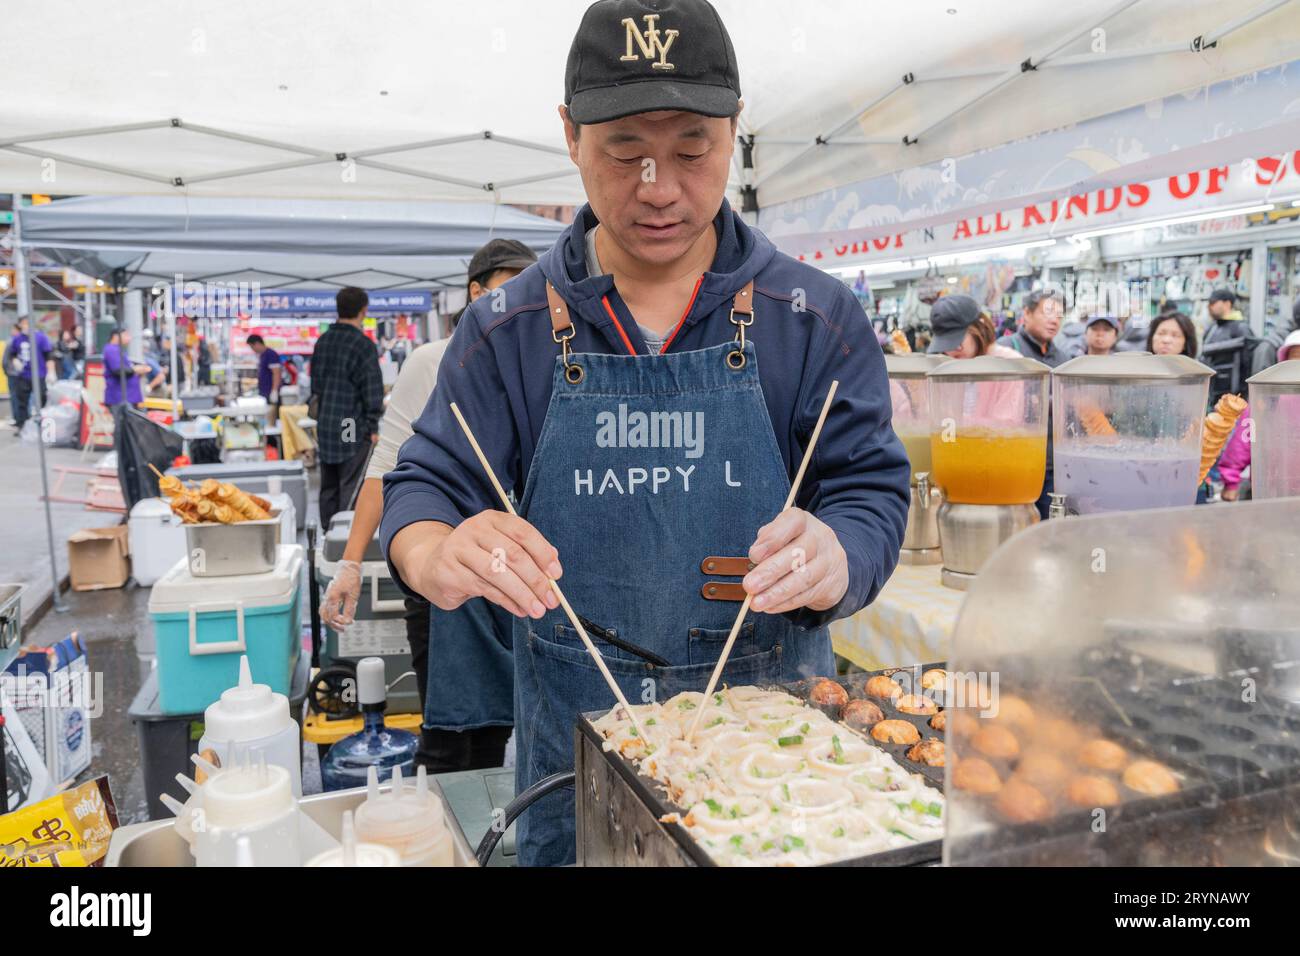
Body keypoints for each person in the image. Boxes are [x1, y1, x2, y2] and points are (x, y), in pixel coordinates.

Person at [381, 0, 909, 867]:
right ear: (570, 136)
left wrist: (841, 552)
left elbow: (869, 493)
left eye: (693, 148)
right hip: (573, 759)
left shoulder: (814, 319)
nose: (658, 185)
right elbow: (425, 487)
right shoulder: (504, 327)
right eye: (625, 149)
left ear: (736, 133)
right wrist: (435, 550)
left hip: (781, 770)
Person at [322, 238, 538, 774]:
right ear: (475, 292)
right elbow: (386, 468)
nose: (517, 300)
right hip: (442, 571)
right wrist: (350, 563)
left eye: (528, 288)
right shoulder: (433, 361)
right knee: (447, 728)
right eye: (504, 287)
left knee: (498, 722)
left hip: (510, 568)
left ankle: (485, 828)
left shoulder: (541, 362)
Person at [309, 287, 384, 530]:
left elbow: (315, 386)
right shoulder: (363, 345)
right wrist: (373, 425)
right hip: (350, 425)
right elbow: (372, 391)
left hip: (327, 424)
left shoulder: (322, 342)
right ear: (363, 311)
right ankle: (344, 539)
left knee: (328, 484)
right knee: (351, 485)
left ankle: (326, 538)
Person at [927, 294, 1021, 360]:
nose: (952, 349)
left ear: (979, 328)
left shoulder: (1008, 363)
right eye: (944, 343)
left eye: (957, 340)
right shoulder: (944, 369)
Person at [6, 315, 55, 432]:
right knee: (21, 401)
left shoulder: (41, 338)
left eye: (28, 323)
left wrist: (51, 372)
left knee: (42, 399)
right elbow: (12, 354)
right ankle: (22, 426)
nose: (25, 326)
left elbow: (48, 355)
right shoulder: (17, 339)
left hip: (39, 374)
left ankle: (43, 425)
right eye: (23, 323)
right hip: (23, 375)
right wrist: (15, 361)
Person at [1001, 290, 1069, 368]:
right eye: (1048, 312)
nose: (1055, 321)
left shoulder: (1063, 359)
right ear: (1027, 313)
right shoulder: (1005, 348)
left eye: (1059, 316)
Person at [102, 328, 151, 410]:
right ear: (115, 336)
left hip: (127, 397)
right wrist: (135, 369)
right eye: (126, 335)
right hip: (120, 397)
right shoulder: (111, 349)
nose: (129, 338)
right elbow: (118, 370)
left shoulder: (118, 349)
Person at [246, 333, 282, 422]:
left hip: (271, 392)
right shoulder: (262, 355)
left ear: (257, 343)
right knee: (268, 417)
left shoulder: (271, 354)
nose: (252, 350)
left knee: (273, 417)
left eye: (252, 347)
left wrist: (274, 390)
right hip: (265, 392)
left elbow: (276, 373)